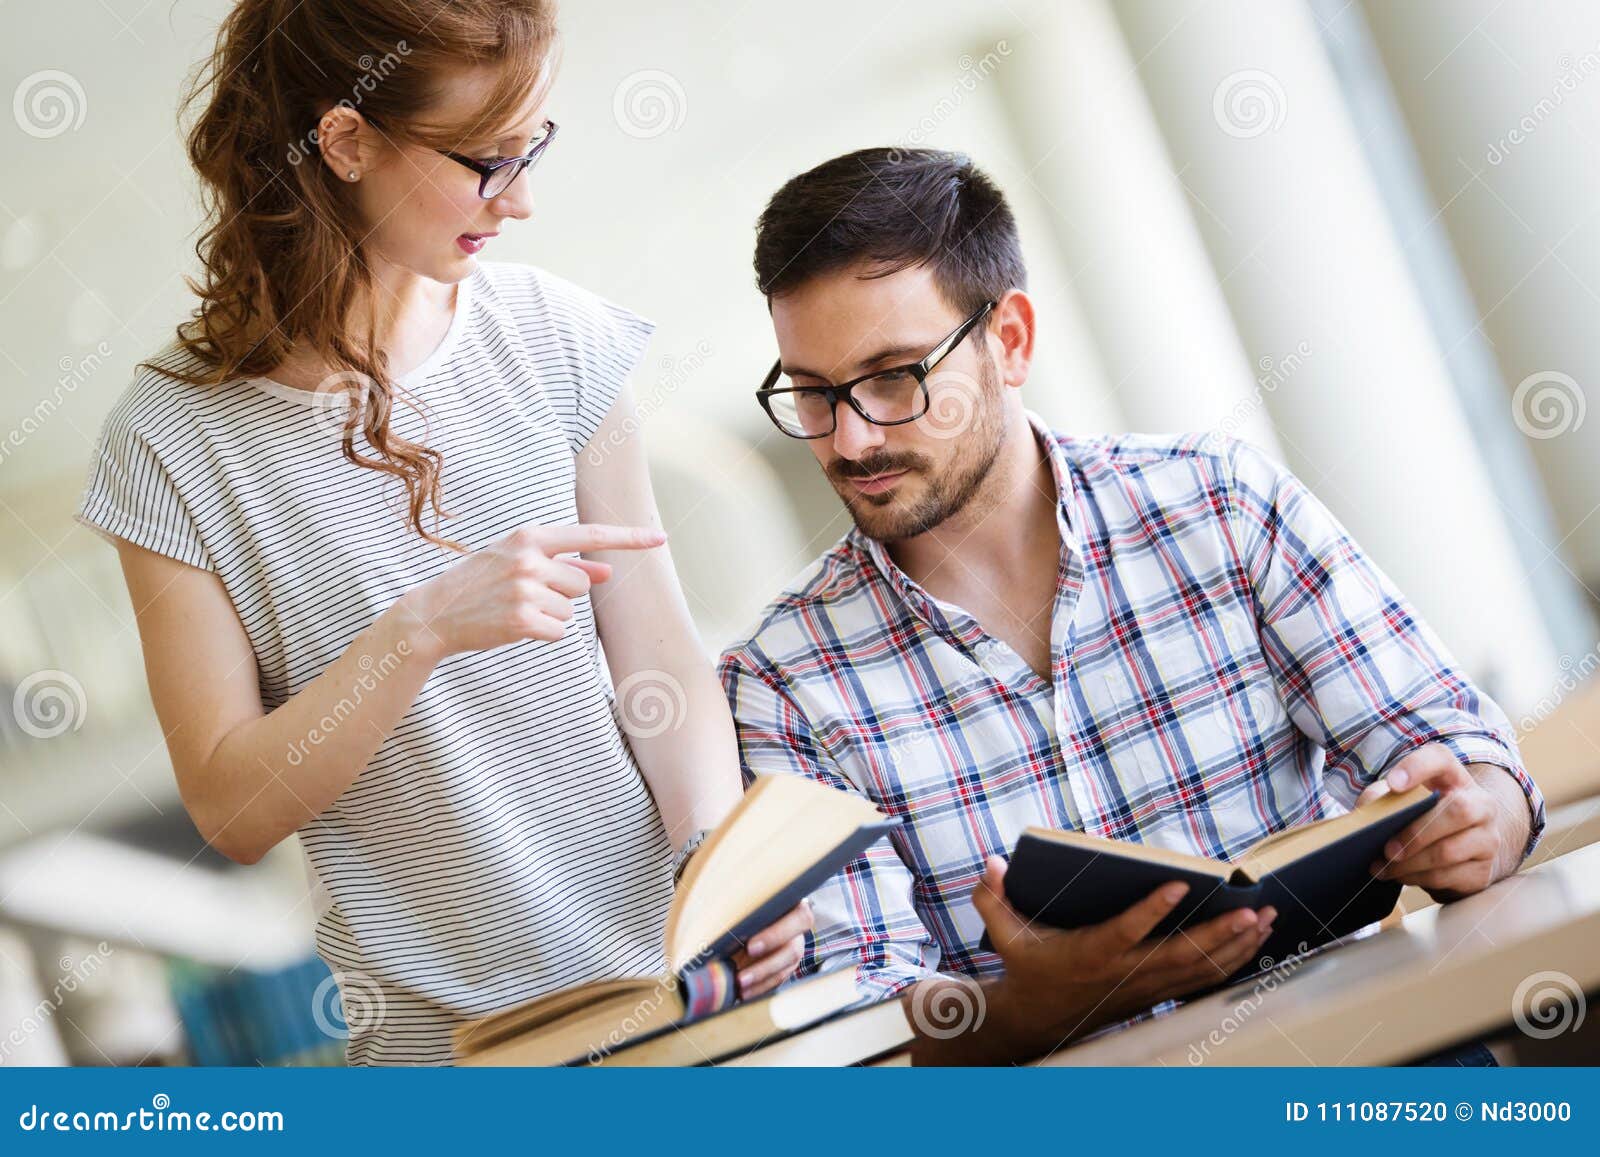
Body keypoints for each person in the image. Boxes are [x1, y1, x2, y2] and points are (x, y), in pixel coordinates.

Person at [74, 0, 807, 1066]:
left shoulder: (554, 334)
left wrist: (717, 856)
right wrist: (413, 633)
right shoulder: (169, 443)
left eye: (531, 150)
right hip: (448, 1060)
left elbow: (658, 656)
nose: (520, 202)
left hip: (689, 1005)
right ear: (345, 139)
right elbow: (234, 806)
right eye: (486, 162)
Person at [719, 147, 1545, 1066]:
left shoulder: (1221, 504)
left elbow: (1462, 751)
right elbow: (863, 1026)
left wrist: (1482, 821)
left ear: (1012, 339)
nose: (852, 436)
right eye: (812, 392)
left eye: (894, 377)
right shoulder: (780, 684)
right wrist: (1033, 1007)